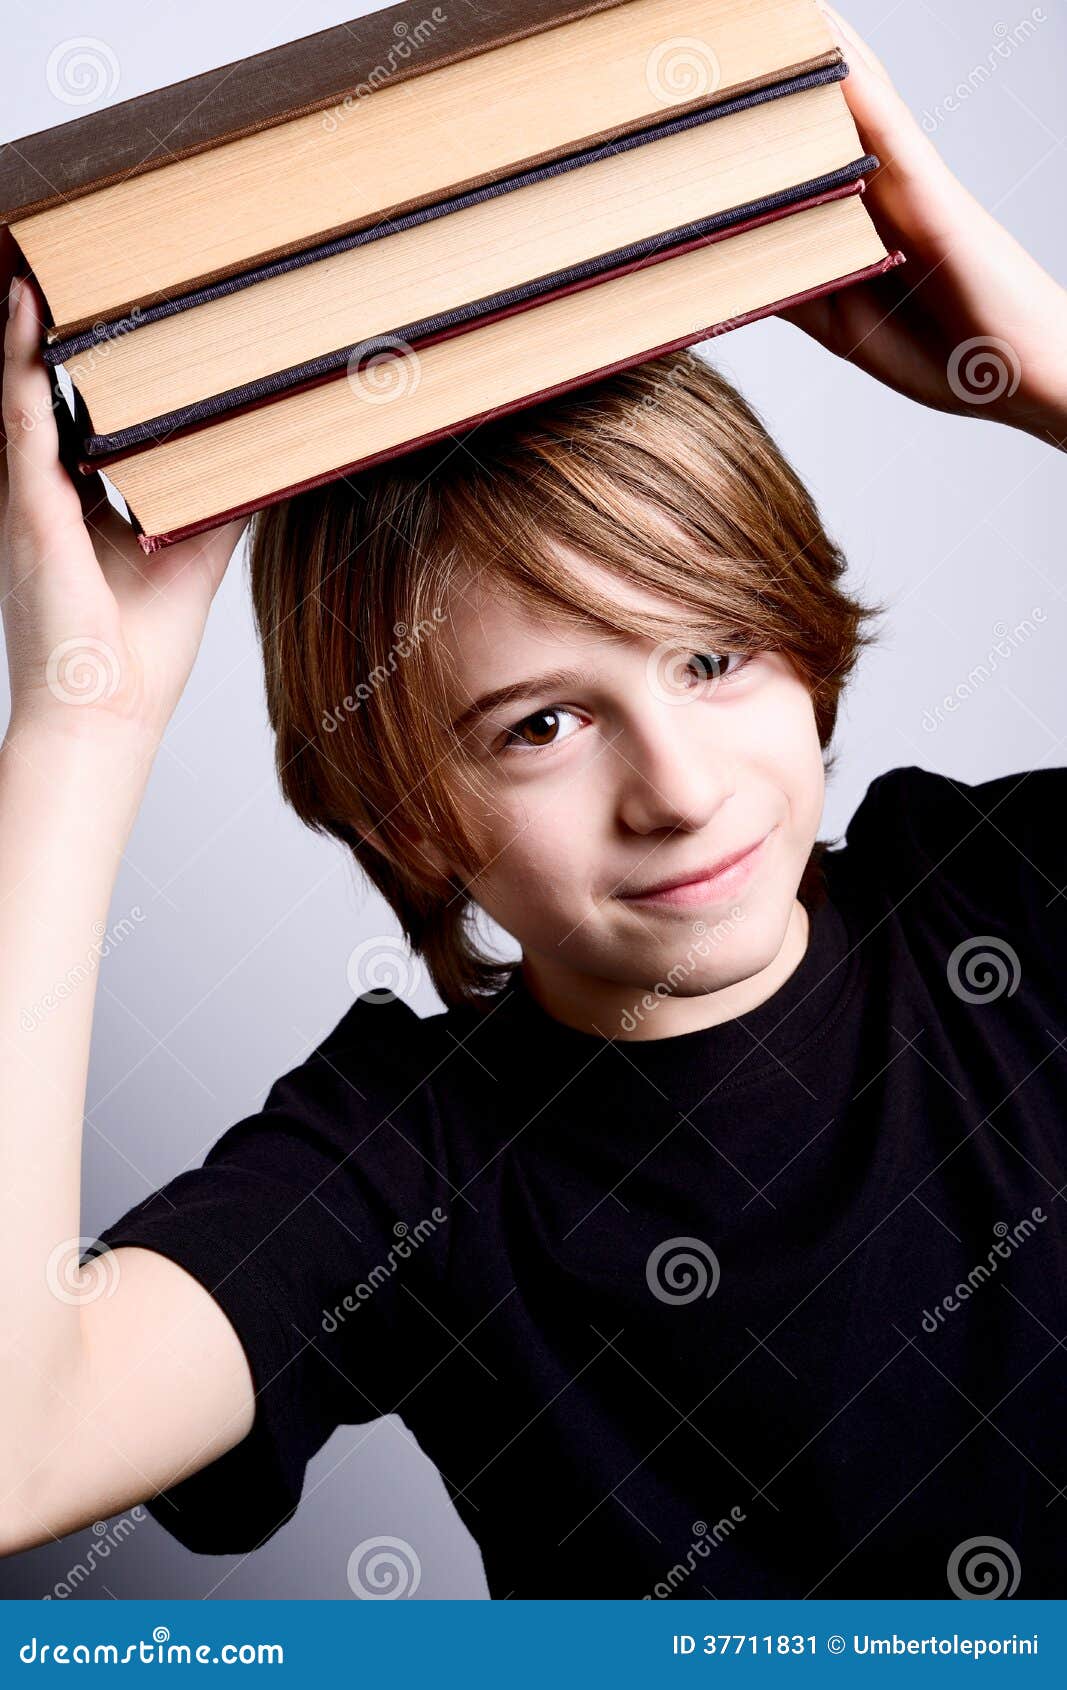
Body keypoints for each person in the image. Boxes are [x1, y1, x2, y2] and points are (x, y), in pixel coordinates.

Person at [1, 2, 1064, 1598]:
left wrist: (1042, 364)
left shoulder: (1007, 891)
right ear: (402, 798)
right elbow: (21, 1448)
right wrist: (83, 729)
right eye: (542, 724)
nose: (683, 790)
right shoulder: (403, 1163)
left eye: (714, 656)